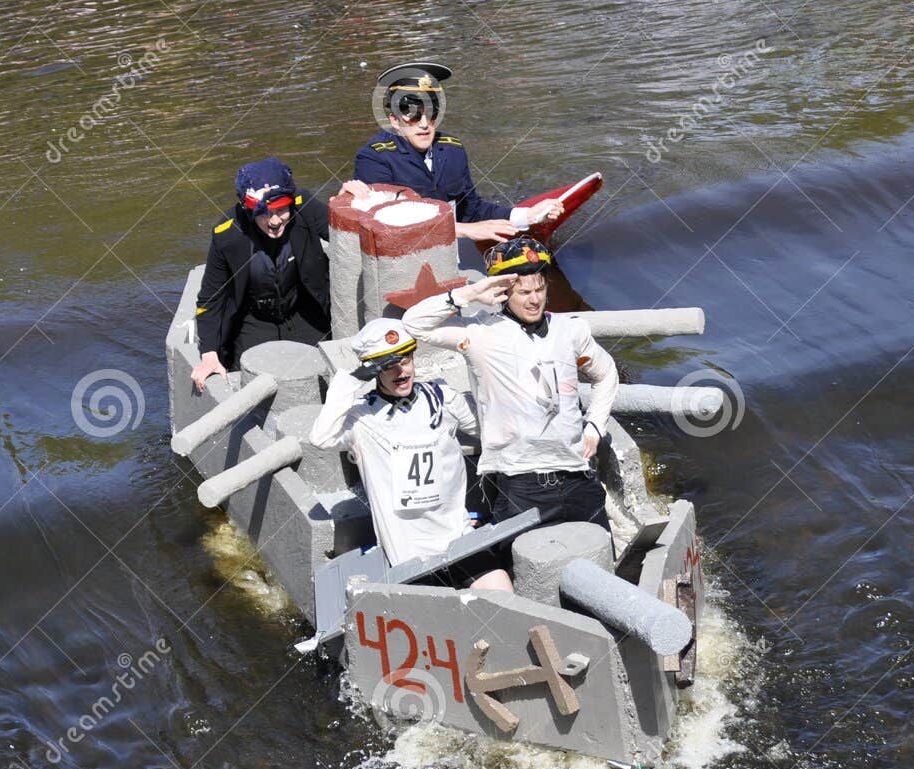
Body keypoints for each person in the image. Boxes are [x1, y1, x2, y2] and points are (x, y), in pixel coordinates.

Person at [402, 237, 619, 528]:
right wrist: (473, 292)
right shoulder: (478, 333)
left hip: (577, 475)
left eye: (540, 289)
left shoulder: (571, 330)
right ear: (504, 293)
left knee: (602, 554)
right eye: (524, 292)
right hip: (520, 483)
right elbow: (414, 323)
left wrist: (594, 426)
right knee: (520, 564)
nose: (535, 299)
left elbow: (606, 374)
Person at [308, 319, 514, 592]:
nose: (400, 371)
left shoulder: (443, 399)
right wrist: (354, 377)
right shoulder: (361, 418)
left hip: (459, 539)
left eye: (405, 360)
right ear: (374, 371)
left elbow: (494, 431)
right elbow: (320, 438)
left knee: (502, 596)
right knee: (439, 623)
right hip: (408, 556)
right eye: (388, 365)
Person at [191, 158, 368, 392]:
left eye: (282, 209)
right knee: (251, 377)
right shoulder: (227, 234)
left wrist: (347, 206)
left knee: (325, 370)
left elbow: (345, 237)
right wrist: (209, 353)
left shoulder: (304, 207)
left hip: (305, 307)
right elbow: (210, 299)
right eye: (264, 213)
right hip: (255, 317)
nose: (275, 221)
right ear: (248, 209)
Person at [353, 62, 563, 243]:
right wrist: (463, 230)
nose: (425, 124)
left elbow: (472, 211)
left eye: (431, 114)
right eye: (414, 116)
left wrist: (529, 215)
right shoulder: (374, 157)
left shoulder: (452, 149)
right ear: (394, 121)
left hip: (449, 256)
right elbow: (385, 223)